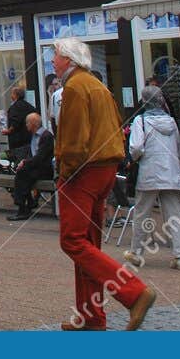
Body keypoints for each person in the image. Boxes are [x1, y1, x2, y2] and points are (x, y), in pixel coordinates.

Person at [51, 38, 154, 331]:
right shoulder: (98, 85)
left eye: (56, 56)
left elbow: (74, 140)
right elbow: (116, 127)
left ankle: (133, 293)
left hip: (83, 171)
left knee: (72, 240)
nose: (53, 62)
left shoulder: (74, 88)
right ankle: (91, 316)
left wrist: (65, 171)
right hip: (106, 167)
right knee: (89, 244)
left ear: (69, 60)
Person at [123, 85, 180, 270]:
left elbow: (136, 148)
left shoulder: (140, 121)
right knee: (174, 214)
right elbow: (178, 146)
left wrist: (137, 157)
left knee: (142, 212)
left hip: (150, 172)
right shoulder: (171, 121)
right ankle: (179, 255)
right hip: (172, 172)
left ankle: (136, 252)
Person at [8, 113, 53, 220]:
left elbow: (40, 157)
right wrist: (24, 162)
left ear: (34, 124)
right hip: (35, 168)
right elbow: (31, 154)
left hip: (44, 170)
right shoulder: (33, 136)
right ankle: (27, 204)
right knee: (21, 174)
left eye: (27, 123)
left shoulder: (46, 136)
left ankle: (22, 208)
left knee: (22, 175)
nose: (26, 125)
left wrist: (25, 163)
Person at [5, 86, 38, 162]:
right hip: (30, 138)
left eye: (12, 94)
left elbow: (15, 122)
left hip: (18, 140)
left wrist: (9, 131)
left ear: (15, 95)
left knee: (18, 158)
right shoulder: (30, 106)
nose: (11, 96)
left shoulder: (15, 107)